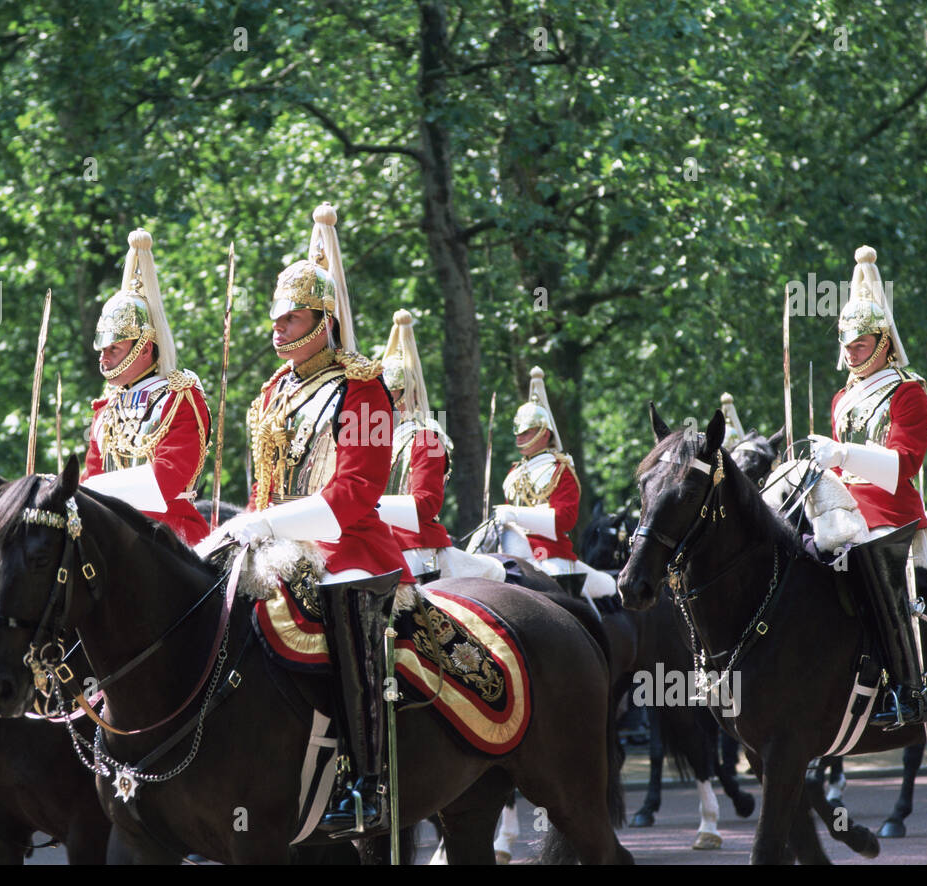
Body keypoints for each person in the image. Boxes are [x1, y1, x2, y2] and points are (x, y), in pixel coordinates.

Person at [198, 202, 411, 833]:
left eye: (290, 316)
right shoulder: (271, 392)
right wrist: (245, 526)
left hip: (349, 549)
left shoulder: (361, 386)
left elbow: (354, 492)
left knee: (346, 609)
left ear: (323, 320)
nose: (277, 327)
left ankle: (368, 782)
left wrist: (267, 525)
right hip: (276, 543)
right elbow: (265, 484)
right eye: (274, 316)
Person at [807, 245, 927, 728]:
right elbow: (837, 469)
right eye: (845, 345)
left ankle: (906, 687)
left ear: (882, 343)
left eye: (858, 345)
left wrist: (840, 455)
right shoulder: (842, 397)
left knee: (871, 562)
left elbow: (903, 466)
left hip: (890, 512)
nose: (849, 354)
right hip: (844, 505)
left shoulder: (908, 390)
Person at [82, 229, 211, 546]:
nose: (105, 356)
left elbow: (166, 479)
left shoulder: (180, 398)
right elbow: (91, 475)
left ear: (143, 348)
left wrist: (85, 492)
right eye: (103, 348)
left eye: (115, 348)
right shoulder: (106, 410)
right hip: (109, 533)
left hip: (169, 537)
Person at [378, 308, 504, 583]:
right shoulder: (370, 439)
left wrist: (368, 505)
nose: (376, 399)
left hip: (416, 547)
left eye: (384, 393)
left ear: (404, 394)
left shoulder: (426, 439)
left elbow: (426, 504)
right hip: (373, 537)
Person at [494, 366, 616, 601]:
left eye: (527, 432)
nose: (519, 437)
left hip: (550, 555)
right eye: (518, 432)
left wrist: (516, 514)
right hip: (512, 552)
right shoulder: (515, 472)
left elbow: (565, 519)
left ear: (544, 433)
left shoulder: (560, 470)